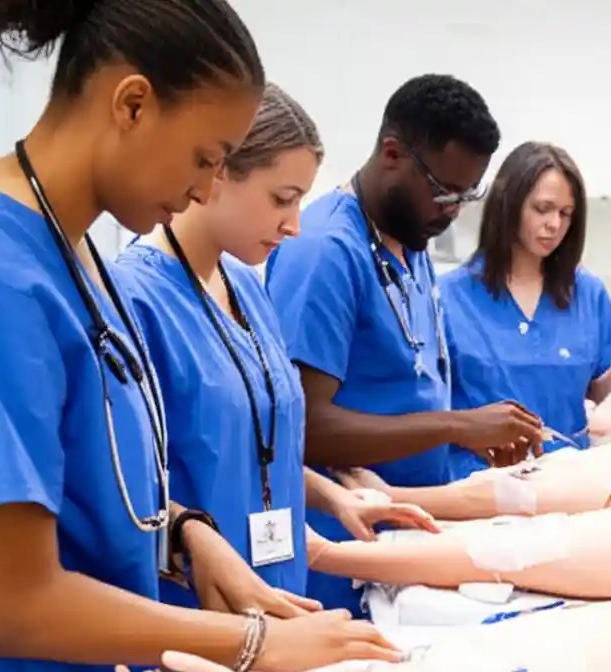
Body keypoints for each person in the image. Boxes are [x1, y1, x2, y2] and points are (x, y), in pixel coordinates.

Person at [0, 3, 394, 672]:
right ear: (131, 105)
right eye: (205, 158)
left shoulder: (77, 258)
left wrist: (186, 535)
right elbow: (15, 603)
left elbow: (82, 483)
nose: (205, 189)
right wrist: (250, 642)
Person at [113, 83, 437, 615]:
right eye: (281, 199)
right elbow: (126, 485)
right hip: (197, 614)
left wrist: (333, 496)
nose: (294, 224)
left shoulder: (245, 286)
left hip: (282, 590)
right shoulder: (136, 299)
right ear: (217, 171)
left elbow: (254, 444)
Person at [264, 74, 545, 615]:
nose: (452, 212)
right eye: (444, 192)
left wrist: (473, 435)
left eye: (467, 196)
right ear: (392, 153)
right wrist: (458, 426)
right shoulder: (325, 252)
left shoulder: (410, 243)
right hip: (342, 551)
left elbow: (406, 387)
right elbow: (303, 428)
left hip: (405, 536)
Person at [439, 141, 611, 479]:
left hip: (564, 484)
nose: (554, 224)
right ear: (508, 205)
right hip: (477, 486)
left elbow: (600, 385)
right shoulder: (450, 297)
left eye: (566, 214)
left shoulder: (586, 294)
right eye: (542, 209)